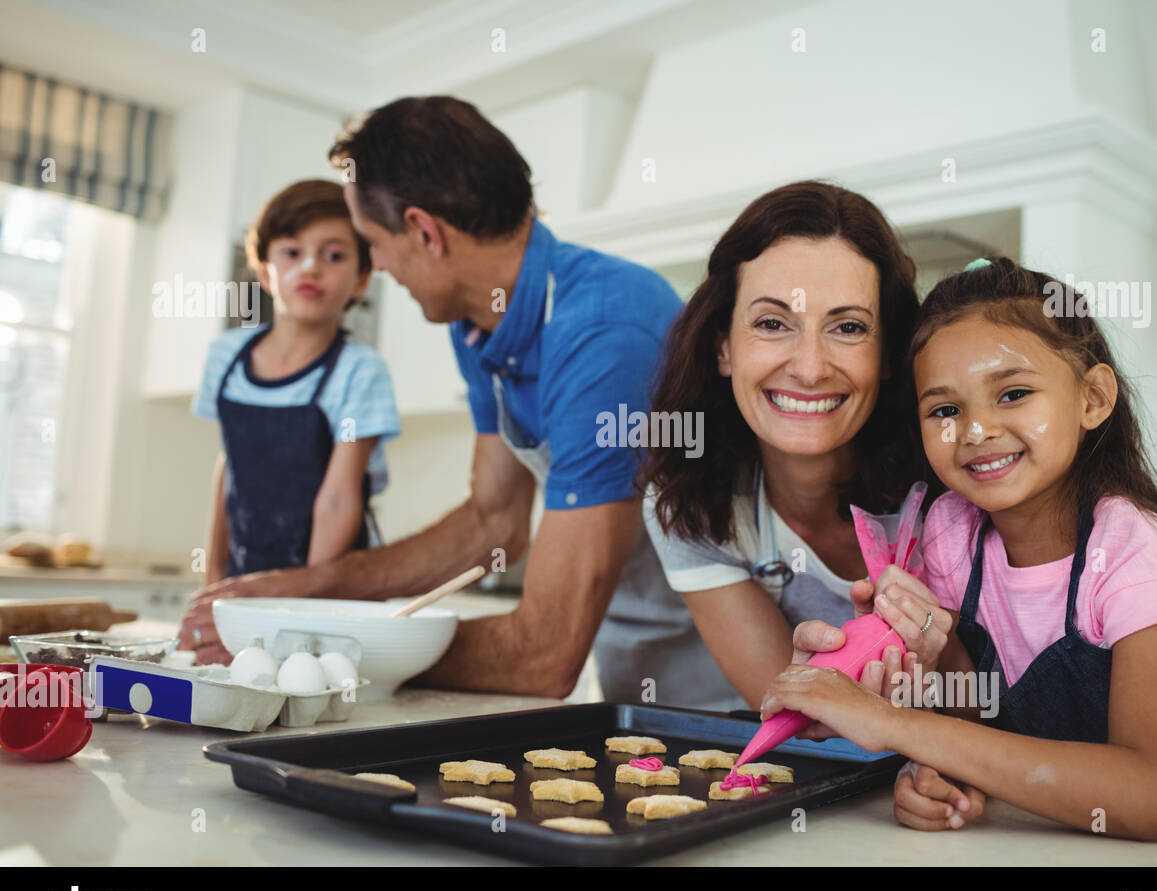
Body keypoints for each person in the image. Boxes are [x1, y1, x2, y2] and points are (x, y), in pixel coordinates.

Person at [180, 96, 738, 709]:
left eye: (373, 243)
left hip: (731, 685)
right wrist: (305, 592)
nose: (381, 265)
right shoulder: (475, 322)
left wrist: (316, 645)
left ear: (423, 231)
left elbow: (543, 654)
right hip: (630, 661)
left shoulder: (605, 333)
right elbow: (492, 520)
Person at [760, 257, 1157, 837]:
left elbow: (1150, 798)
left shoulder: (1131, 555)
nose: (974, 430)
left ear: (1092, 398)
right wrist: (939, 760)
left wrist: (893, 727)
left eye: (1013, 393)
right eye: (944, 409)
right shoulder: (950, 536)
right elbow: (976, 710)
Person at [641, 181, 937, 708]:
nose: (809, 367)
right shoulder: (690, 504)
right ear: (724, 347)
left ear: (888, 355)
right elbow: (795, 715)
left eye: (847, 327)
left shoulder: (948, 490)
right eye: (773, 323)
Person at [192, 179, 400, 583]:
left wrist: (302, 596)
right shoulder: (226, 357)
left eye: (334, 255)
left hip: (332, 584)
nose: (310, 267)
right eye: (291, 252)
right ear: (266, 274)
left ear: (361, 280)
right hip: (246, 578)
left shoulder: (360, 372)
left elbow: (339, 500)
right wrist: (215, 581)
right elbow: (229, 469)